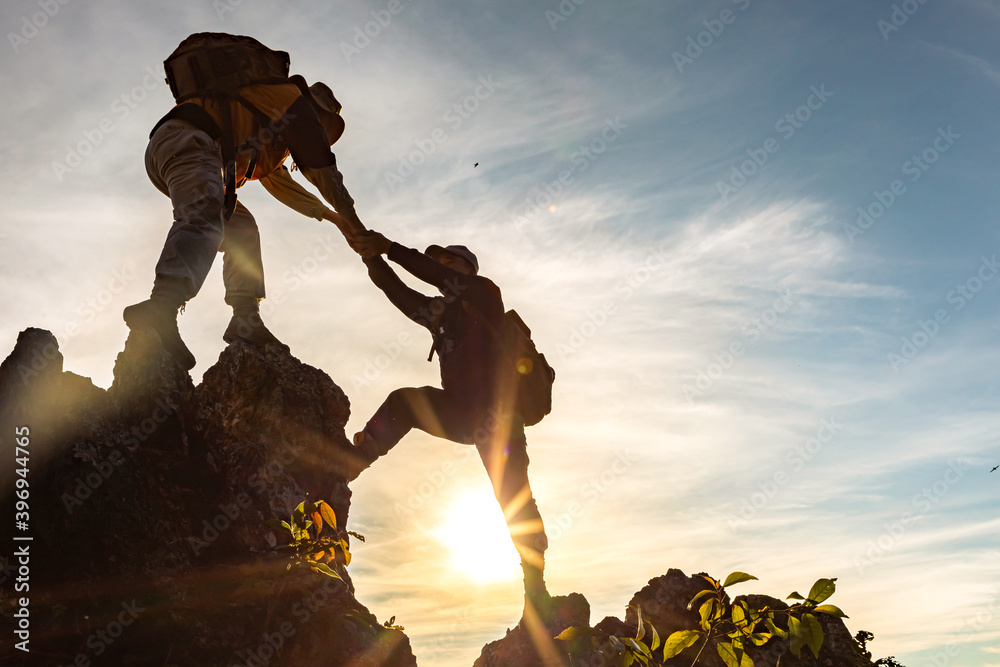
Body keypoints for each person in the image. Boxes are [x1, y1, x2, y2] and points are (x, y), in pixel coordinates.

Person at [123, 34, 363, 370]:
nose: (323, 131)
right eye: (324, 124)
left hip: (179, 151)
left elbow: (283, 186)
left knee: (242, 229)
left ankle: (245, 319)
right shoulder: (289, 102)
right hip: (189, 139)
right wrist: (354, 222)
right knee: (205, 214)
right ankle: (161, 308)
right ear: (315, 110)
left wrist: (336, 220)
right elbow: (321, 165)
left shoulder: (272, 131)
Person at [348, 230, 552, 616]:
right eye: (439, 261)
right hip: (460, 414)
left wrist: (389, 248)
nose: (442, 267)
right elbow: (398, 293)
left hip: (500, 418)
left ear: (469, 271)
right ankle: (357, 457)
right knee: (404, 402)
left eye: (450, 262)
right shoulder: (440, 317)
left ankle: (536, 586)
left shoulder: (485, 295)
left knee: (514, 499)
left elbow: (430, 274)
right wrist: (368, 255)